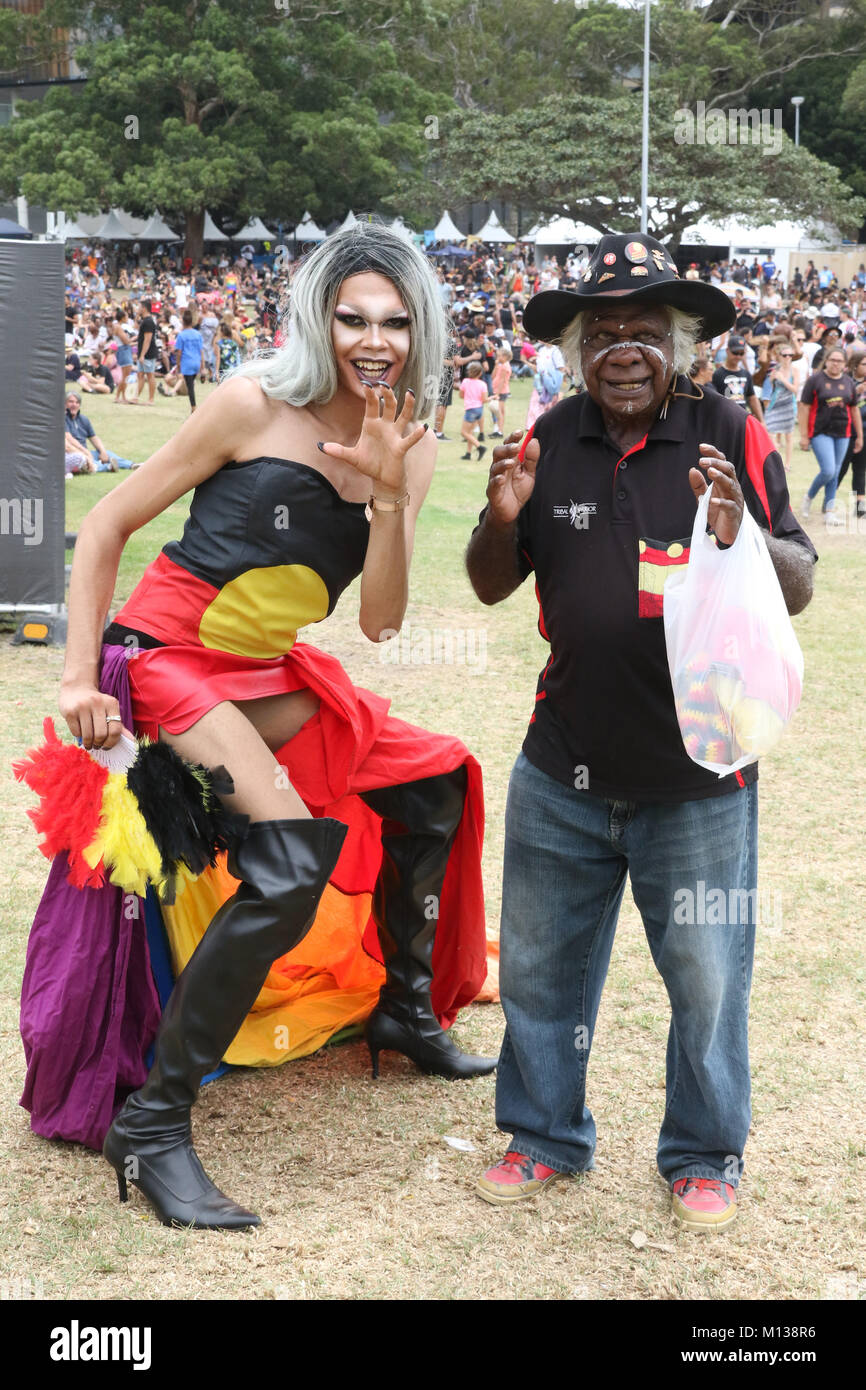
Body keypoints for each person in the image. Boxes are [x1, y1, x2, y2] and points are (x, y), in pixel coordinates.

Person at [23, 225, 493, 1232]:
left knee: (435, 779)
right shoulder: (248, 403)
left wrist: (380, 499)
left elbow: (377, 621)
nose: (375, 339)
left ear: (422, 327)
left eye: (395, 320)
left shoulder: (408, 446)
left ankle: (401, 1012)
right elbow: (107, 526)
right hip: (163, 657)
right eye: (353, 316)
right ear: (320, 317)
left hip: (266, 669)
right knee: (289, 861)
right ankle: (154, 1126)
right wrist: (73, 678)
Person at [465, 232, 816, 1232]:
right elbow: (493, 581)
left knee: (705, 978)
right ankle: (541, 1135)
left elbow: (796, 580)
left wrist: (734, 530)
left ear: (681, 344)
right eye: (602, 333)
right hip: (560, 770)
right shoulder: (549, 432)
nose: (622, 349)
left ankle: (702, 1154)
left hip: (699, 778)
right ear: (577, 351)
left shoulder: (729, 431)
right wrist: (499, 519)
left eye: (644, 332)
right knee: (537, 969)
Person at [799, 347, 863, 525]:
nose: (836, 364)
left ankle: (829, 512)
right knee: (828, 470)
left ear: (844, 364)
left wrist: (859, 436)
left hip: (843, 432)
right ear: (826, 360)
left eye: (840, 361)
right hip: (820, 432)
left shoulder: (848, 382)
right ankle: (809, 497)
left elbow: (854, 409)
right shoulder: (815, 380)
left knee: (835, 473)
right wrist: (804, 435)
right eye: (833, 360)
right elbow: (804, 408)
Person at [64, 391, 137, 471]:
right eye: (71, 402)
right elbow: (69, 438)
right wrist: (85, 452)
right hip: (73, 453)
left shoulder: (83, 419)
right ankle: (108, 467)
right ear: (65, 404)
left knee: (108, 453)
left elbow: (93, 437)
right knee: (88, 460)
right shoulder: (62, 419)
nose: (74, 405)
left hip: (86, 451)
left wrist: (102, 451)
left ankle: (132, 465)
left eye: (77, 402)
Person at [711, 335, 763, 419]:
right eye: (735, 353)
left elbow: (752, 398)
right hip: (724, 418)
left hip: (742, 419)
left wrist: (761, 420)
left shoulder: (746, 374)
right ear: (727, 351)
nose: (738, 356)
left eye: (741, 353)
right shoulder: (718, 374)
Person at [459, 361, 489, 460]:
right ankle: (468, 454)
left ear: (469, 372)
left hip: (470, 409)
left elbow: (461, 395)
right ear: (480, 373)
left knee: (464, 432)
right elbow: (484, 400)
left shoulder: (465, 382)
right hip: (479, 410)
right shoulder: (483, 384)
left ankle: (480, 447)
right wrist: (491, 398)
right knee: (470, 432)